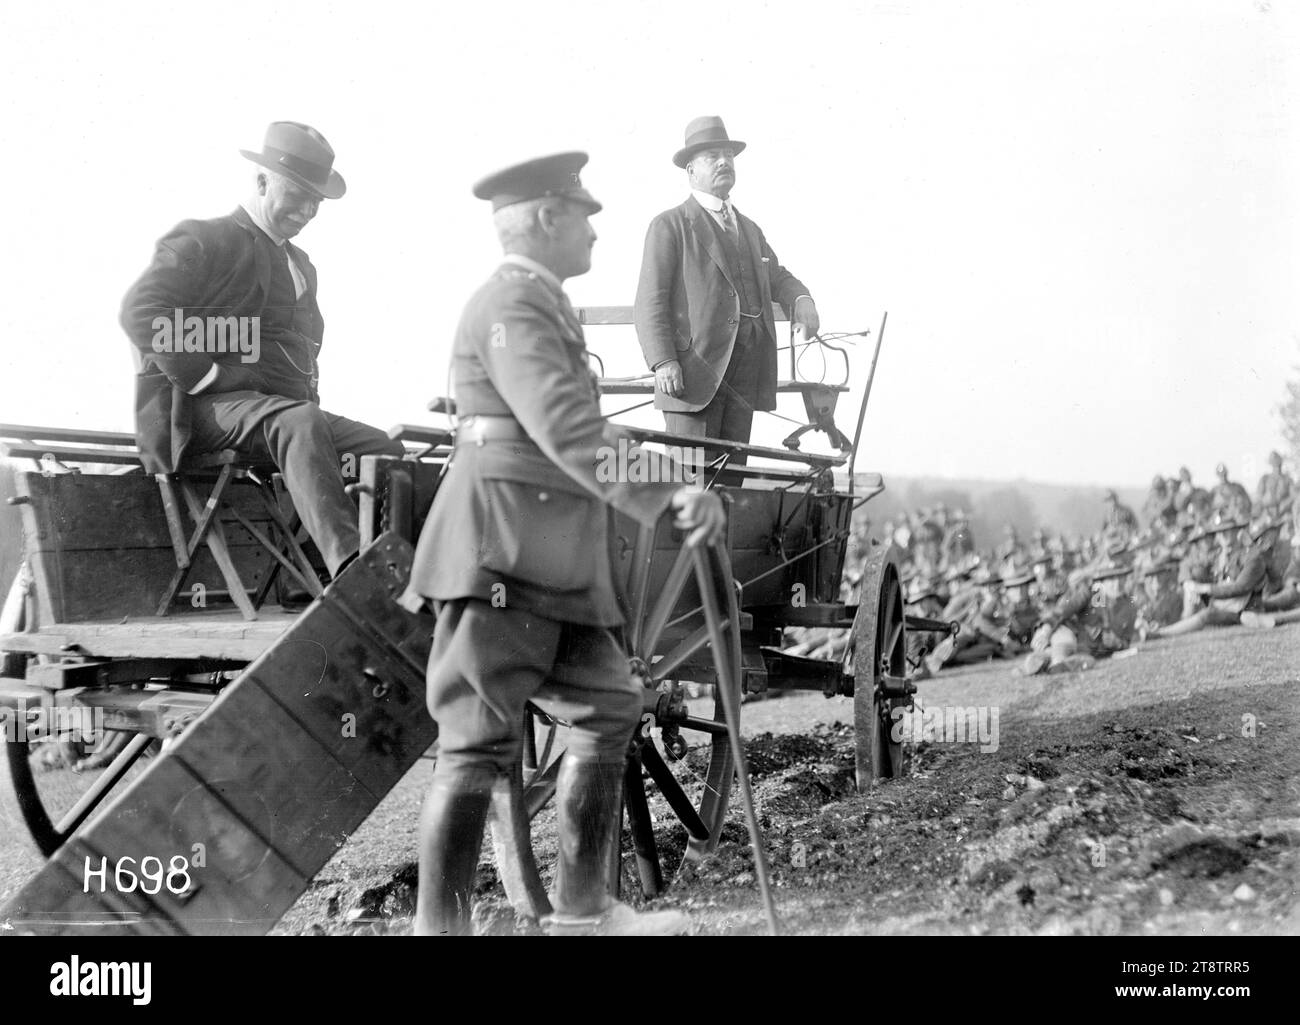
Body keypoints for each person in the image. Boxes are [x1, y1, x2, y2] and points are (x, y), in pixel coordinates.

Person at [404, 153, 726, 937]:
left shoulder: (540, 304)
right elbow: (565, 428)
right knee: (476, 741)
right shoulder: (511, 304)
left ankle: (584, 913)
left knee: (610, 703)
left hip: (548, 562)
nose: (594, 225)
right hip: (499, 556)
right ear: (545, 218)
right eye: (582, 212)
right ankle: (436, 932)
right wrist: (664, 489)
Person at [120, 121, 404, 579]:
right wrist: (206, 374)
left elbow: (306, 345)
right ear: (261, 180)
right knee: (300, 421)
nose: (309, 209)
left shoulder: (302, 265)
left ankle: (396, 571)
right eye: (298, 193)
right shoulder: (201, 239)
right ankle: (353, 574)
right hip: (199, 413)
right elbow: (141, 311)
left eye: (317, 200)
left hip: (279, 412)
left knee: (382, 447)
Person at [634, 116, 819, 449]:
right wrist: (663, 361)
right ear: (691, 171)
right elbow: (650, 301)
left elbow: (775, 275)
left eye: (728, 155)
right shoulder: (670, 226)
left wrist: (802, 298)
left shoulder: (749, 229)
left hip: (746, 373)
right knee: (691, 485)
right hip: (693, 377)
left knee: (732, 483)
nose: (723, 162)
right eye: (711, 156)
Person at [1254, 451, 1293, 520]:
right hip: (1267, 513)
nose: (1277, 467)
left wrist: (1284, 505)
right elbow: (1259, 497)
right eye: (1275, 464)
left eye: (1278, 464)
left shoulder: (1287, 479)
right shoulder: (1265, 478)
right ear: (1271, 465)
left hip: (1284, 513)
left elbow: (1293, 495)